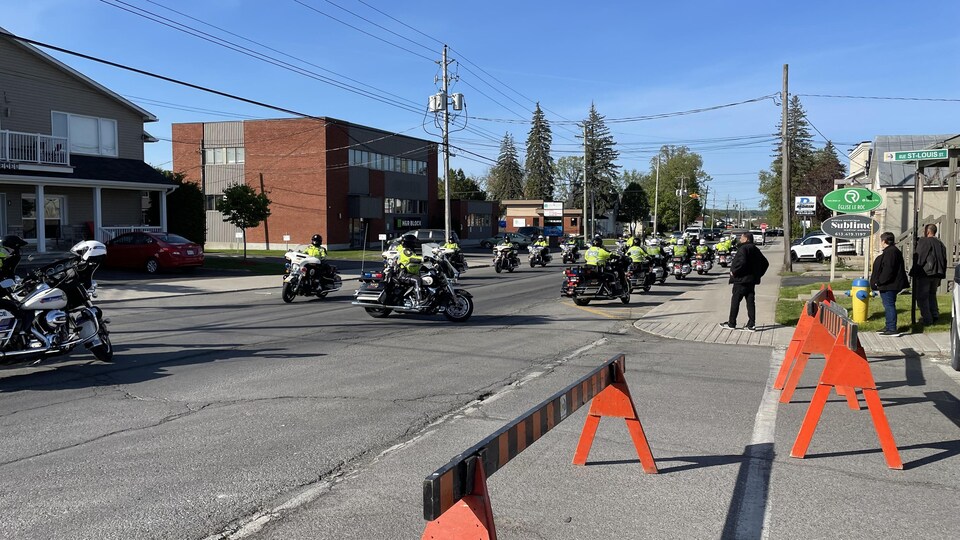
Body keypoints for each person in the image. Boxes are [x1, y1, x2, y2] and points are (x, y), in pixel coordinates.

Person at [720, 232, 768, 332]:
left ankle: (731, 323)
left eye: (741, 237)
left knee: (735, 301)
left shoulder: (743, 249)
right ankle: (751, 324)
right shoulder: (755, 249)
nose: (740, 239)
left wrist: (734, 272)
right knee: (750, 302)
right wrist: (757, 275)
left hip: (740, 281)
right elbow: (765, 263)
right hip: (751, 281)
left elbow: (742, 262)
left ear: (746, 239)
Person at [870, 231, 910, 336]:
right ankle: (888, 326)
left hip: (890, 285)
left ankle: (892, 328)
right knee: (888, 305)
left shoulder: (891, 252)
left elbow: (888, 270)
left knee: (889, 305)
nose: (880, 243)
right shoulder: (891, 251)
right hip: (890, 284)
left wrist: (879, 282)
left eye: (881, 241)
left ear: (884, 241)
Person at [911, 224, 947, 325]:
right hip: (937, 273)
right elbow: (944, 259)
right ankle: (934, 314)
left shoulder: (925, 241)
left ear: (928, 231)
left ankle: (927, 319)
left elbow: (920, 257)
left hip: (926, 273)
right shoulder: (940, 243)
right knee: (932, 294)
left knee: (922, 297)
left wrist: (915, 270)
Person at [397, 234, 427, 305]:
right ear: (409, 243)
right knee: (417, 280)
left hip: (411, 273)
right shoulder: (405, 251)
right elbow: (411, 258)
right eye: (413, 242)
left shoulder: (410, 250)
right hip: (404, 274)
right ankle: (419, 300)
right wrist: (424, 259)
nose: (415, 244)